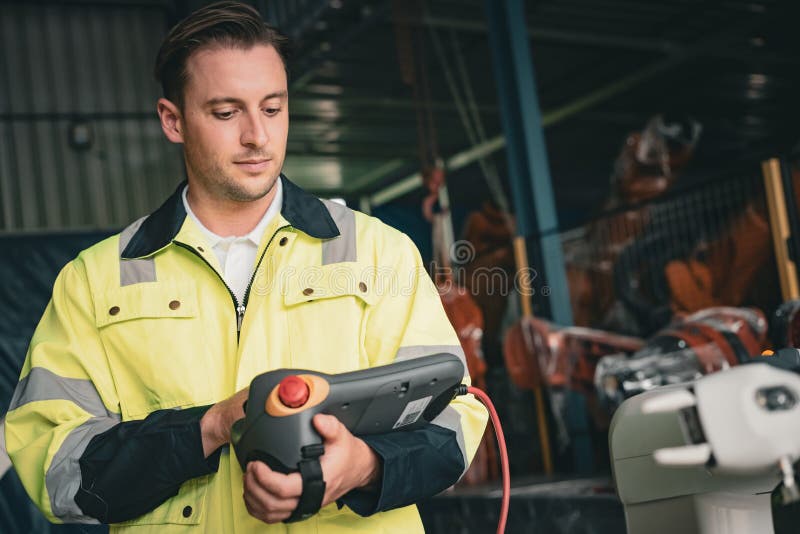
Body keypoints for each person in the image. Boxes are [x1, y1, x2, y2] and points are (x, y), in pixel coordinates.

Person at [3, 2, 487, 533]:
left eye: (273, 108)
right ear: (173, 120)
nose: (258, 136)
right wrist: (209, 428)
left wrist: (362, 468)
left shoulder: (377, 251)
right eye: (227, 112)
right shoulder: (95, 281)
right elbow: (52, 464)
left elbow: (455, 419)